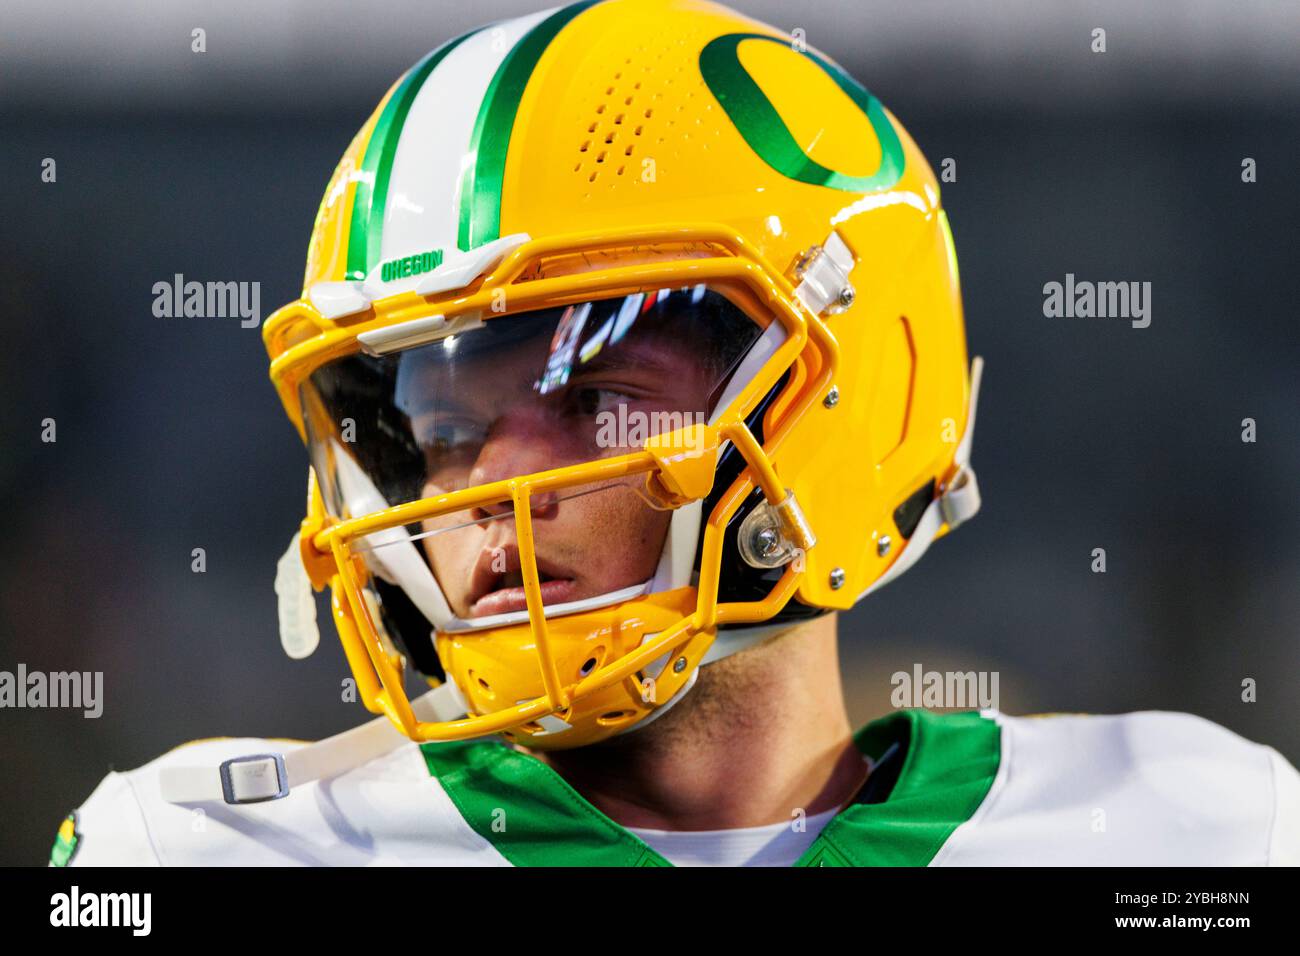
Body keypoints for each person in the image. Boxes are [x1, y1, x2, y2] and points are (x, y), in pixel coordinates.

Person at [53, 0, 1298, 867]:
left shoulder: (1192, 833)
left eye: (595, 396)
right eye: (438, 424)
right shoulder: (201, 852)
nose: (489, 485)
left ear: (857, 392)